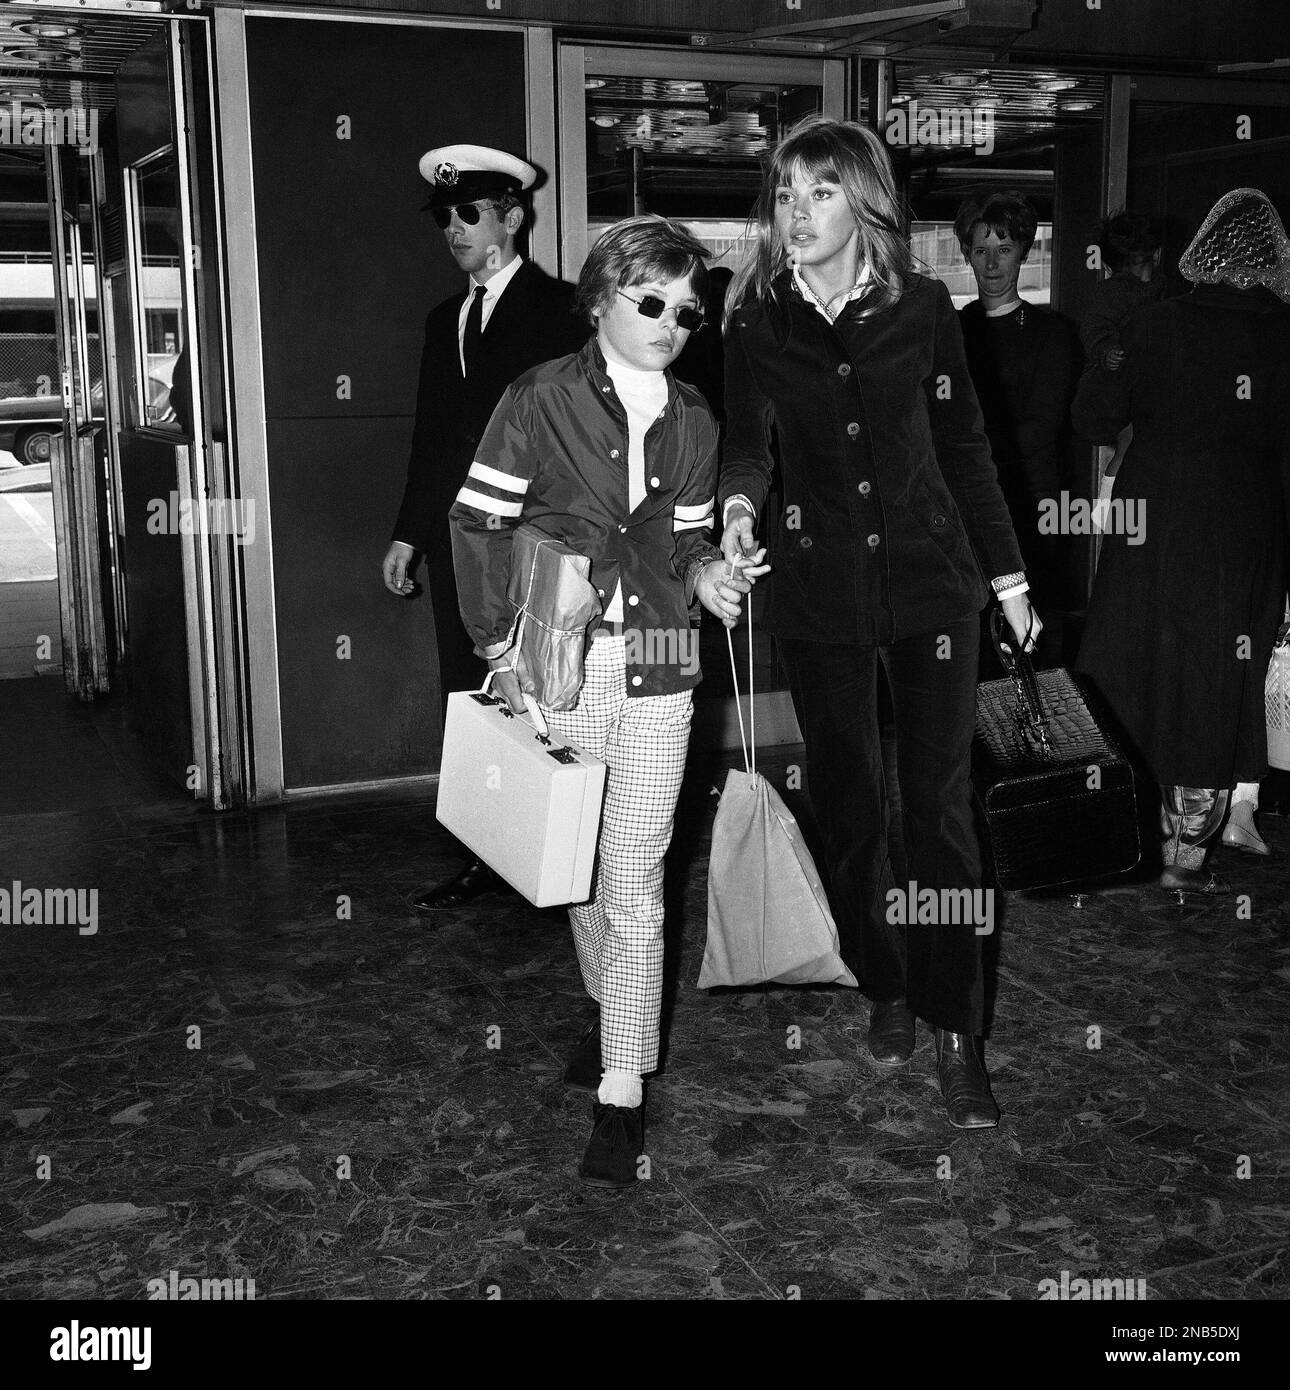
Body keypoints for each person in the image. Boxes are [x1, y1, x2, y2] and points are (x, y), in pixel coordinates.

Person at [720, 116, 1039, 1130]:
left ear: (862, 204)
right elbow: (745, 448)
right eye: (784, 195)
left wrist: (1012, 579)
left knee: (940, 811)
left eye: (819, 193)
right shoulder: (755, 320)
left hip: (932, 588)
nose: (797, 214)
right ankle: (886, 977)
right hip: (818, 593)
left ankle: (958, 1027)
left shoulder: (925, 309)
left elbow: (967, 449)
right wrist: (735, 509)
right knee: (851, 807)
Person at [450, 215, 765, 1186]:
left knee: (635, 879)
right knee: (585, 869)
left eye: (688, 309)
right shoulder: (538, 399)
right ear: (600, 301)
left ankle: (621, 1090)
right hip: (563, 659)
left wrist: (712, 573)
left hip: (665, 665)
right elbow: (479, 522)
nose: (673, 321)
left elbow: (686, 540)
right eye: (652, 303)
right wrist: (499, 640)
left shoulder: (698, 419)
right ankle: (608, 1006)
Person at [382, 143, 589, 911]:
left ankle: (562, 855)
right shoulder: (445, 321)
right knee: (472, 693)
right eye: (444, 217)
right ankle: (486, 853)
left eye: (469, 213)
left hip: (541, 543)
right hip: (459, 545)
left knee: (547, 693)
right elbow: (432, 436)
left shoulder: (567, 311)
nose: (453, 228)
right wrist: (409, 532)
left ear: (513, 217)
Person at [1073, 188, 1290, 889]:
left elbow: (1093, 416)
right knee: (1215, 674)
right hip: (1246, 527)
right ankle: (1188, 852)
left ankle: (1119, 831)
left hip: (1152, 518)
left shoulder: (1154, 323)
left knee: (1137, 659)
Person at [954, 190, 1080, 669]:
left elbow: (1041, 428)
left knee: (1034, 650)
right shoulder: (952, 329)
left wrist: (965, 455)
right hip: (966, 510)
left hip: (1032, 509)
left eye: (1003, 249)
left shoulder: (1051, 333)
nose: (991, 263)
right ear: (966, 254)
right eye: (980, 250)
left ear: (1024, 253)